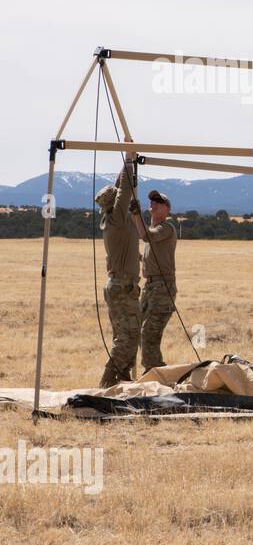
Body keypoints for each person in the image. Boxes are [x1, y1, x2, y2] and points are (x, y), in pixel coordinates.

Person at [94, 160, 141, 386]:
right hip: (123, 286)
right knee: (128, 339)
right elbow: (123, 190)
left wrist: (125, 165)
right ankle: (107, 380)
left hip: (121, 285)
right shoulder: (119, 218)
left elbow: (119, 189)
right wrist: (130, 161)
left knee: (124, 336)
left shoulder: (113, 218)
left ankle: (121, 379)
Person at [131, 188, 178, 373]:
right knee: (141, 331)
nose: (153, 203)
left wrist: (136, 215)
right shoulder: (152, 231)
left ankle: (155, 372)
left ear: (167, 209)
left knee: (149, 332)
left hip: (162, 288)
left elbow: (146, 236)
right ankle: (154, 369)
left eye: (158, 201)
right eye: (152, 200)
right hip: (151, 286)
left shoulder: (165, 228)